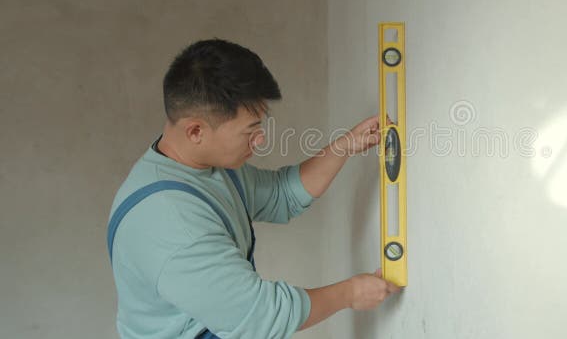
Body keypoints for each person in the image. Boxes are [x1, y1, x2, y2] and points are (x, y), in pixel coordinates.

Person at [107, 39, 401, 338]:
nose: (260, 140)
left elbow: (281, 195)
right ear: (196, 131)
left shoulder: (206, 167)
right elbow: (259, 316)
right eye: (249, 130)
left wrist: (344, 146)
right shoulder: (170, 221)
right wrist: (349, 293)